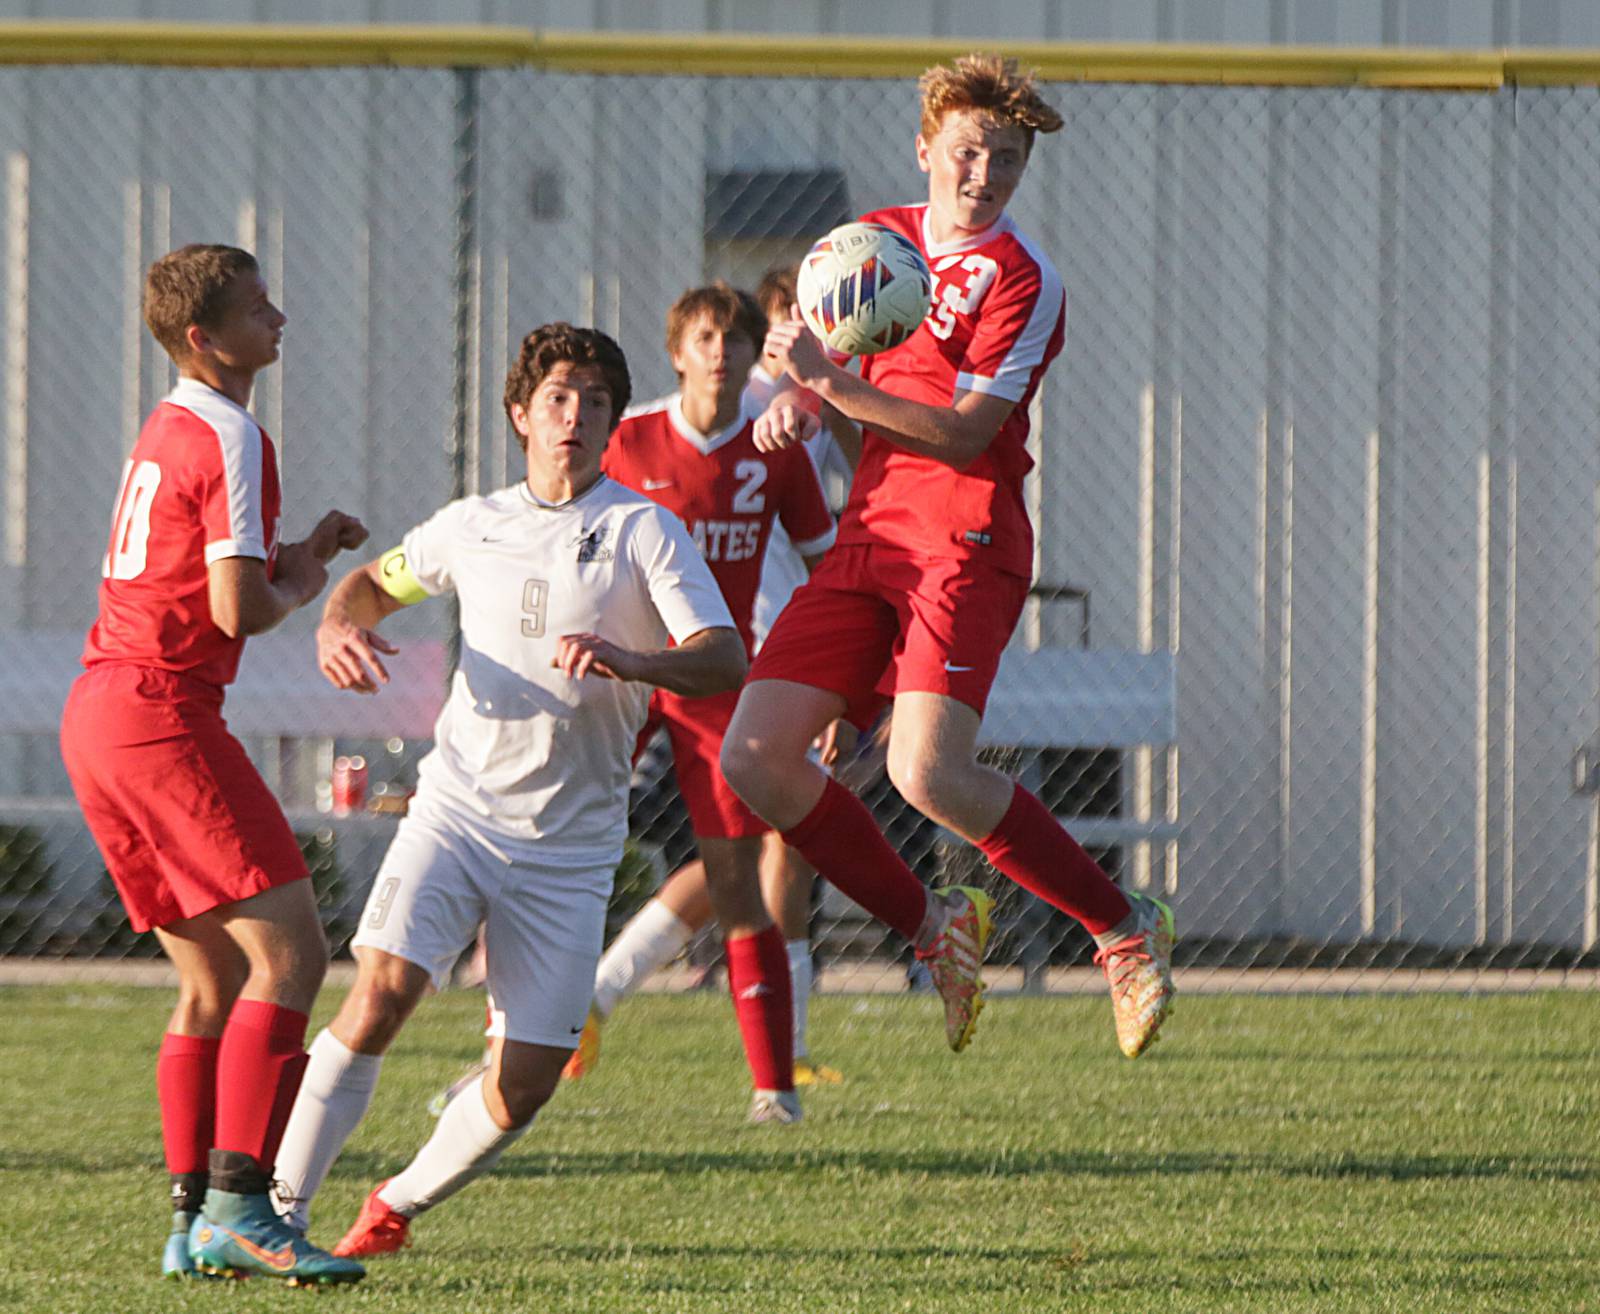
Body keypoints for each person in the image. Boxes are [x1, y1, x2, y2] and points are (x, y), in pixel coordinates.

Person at [722, 53, 1177, 1060]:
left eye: (1005, 161)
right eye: (968, 152)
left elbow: (967, 431)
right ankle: (936, 927)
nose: (982, 176)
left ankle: (1119, 926)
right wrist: (798, 398)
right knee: (752, 757)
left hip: (962, 535)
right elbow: (820, 367)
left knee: (927, 773)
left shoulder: (1026, 280)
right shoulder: (864, 244)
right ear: (925, 147)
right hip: (871, 528)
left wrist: (825, 391)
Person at [271, 323, 746, 1259]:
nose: (576, 415)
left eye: (596, 401)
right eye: (558, 398)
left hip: (569, 850)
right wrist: (335, 622)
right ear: (520, 414)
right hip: (457, 814)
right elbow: (370, 585)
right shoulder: (471, 525)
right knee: (383, 992)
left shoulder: (643, 530)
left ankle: (394, 1205)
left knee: (526, 1081)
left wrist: (631, 658)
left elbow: (723, 657)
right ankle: (277, 1214)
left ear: (613, 421)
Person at [57, 244, 369, 1285]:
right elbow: (238, 610)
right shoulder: (234, 431)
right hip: (162, 713)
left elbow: (213, 578)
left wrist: (305, 556)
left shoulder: (168, 422)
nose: (277, 318)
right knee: (292, 955)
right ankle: (246, 1211)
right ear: (206, 339)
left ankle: (192, 1220)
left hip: (100, 715)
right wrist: (301, 587)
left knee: (212, 977)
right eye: (255, 307)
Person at [567, 268, 858, 1088]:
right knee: (552, 850)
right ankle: (518, 1048)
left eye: (735, 338)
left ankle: (774, 1083)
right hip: (622, 673)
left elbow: (824, 567)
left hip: (716, 676)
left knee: (744, 871)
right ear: (678, 355)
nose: (724, 353)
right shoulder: (627, 440)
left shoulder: (780, 444)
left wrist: (836, 682)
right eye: (707, 338)